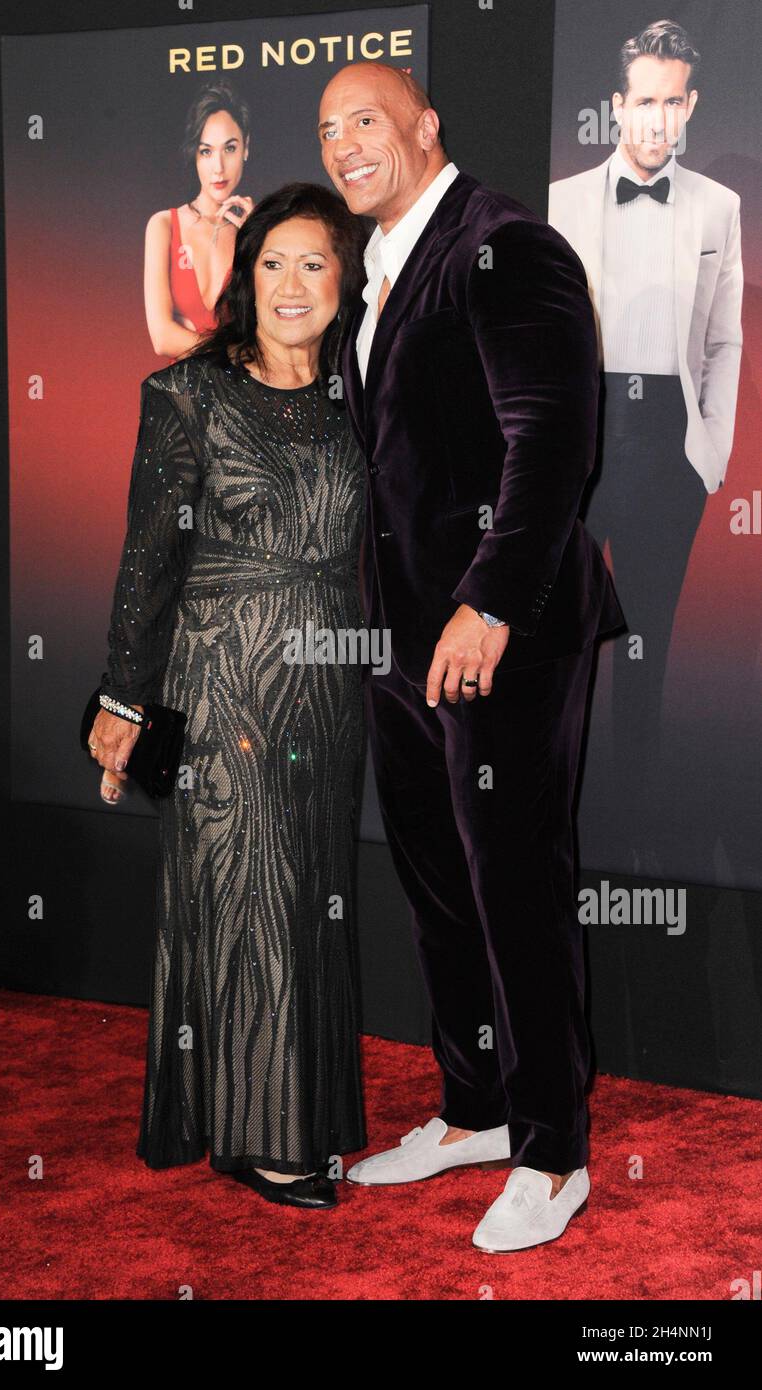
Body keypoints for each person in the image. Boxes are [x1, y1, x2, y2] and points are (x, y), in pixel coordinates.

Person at [318, 61, 625, 1251]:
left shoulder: (504, 243)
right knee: (441, 884)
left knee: (513, 883)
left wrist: (491, 603)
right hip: (401, 639)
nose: (346, 145)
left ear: (424, 124)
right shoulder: (378, 271)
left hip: (506, 632)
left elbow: (551, 438)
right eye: (328, 128)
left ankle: (552, 1149)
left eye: (366, 120)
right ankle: (476, 1108)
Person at [87, 182, 370, 1207]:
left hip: (330, 686)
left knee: (309, 894)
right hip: (223, 680)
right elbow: (145, 559)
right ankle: (266, 1136)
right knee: (252, 891)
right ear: (245, 277)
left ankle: (292, 1112)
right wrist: (123, 701)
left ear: (346, 279)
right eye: (271, 264)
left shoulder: (359, 393)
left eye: (314, 264)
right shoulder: (187, 394)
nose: (291, 285)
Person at [548, 19, 743, 872]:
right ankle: (552, 808)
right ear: (616, 105)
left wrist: (714, 455)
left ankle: (628, 837)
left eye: (674, 102)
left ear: (690, 104)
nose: (658, 120)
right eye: (644, 102)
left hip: (672, 448)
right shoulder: (556, 201)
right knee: (560, 636)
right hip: (584, 446)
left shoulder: (718, 207)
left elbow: (728, 341)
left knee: (647, 645)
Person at [102, 82, 255, 806]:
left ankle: (213, 763)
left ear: (247, 150)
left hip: (243, 432)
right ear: (190, 155)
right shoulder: (161, 224)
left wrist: (235, 242)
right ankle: (129, 741)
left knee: (218, 595)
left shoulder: (258, 230)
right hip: (180, 425)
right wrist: (230, 345)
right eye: (205, 149)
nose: (217, 164)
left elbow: (259, 332)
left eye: (230, 148)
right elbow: (163, 336)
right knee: (155, 574)